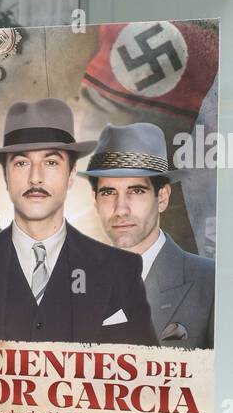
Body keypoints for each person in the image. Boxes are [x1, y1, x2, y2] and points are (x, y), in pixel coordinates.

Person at [0, 99, 157, 345]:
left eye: (51, 162)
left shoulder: (121, 269)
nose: (36, 178)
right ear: (5, 175)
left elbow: (146, 375)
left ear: (70, 175)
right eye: (22, 163)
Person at [84, 121, 214, 348]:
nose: (121, 209)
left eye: (136, 191)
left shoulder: (211, 284)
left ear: (162, 197)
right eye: (108, 192)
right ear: (95, 201)